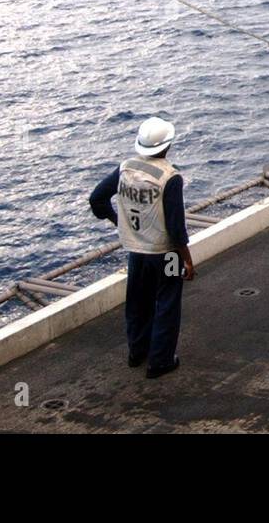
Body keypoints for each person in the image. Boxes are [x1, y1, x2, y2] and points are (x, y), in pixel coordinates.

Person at [89, 117, 195, 378]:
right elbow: (176, 228)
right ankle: (161, 361)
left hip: (136, 250)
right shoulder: (170, 177)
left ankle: (137, 352)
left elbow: (97, 199)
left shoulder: (125, 168)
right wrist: (188, 260)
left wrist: (118, 221)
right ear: (167, 146)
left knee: (138, 302)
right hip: (166, 253)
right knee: (168, 302)